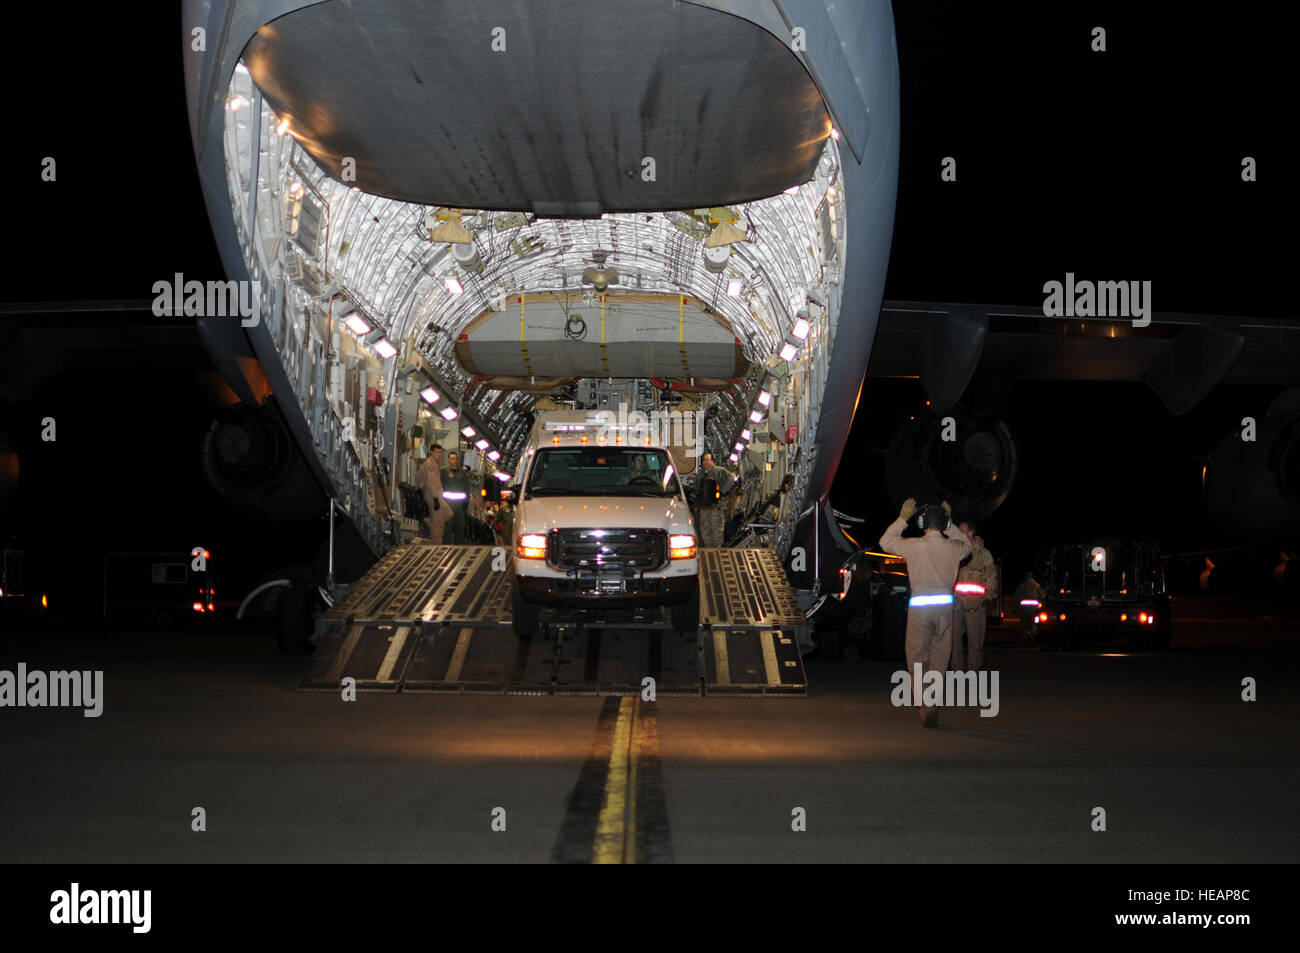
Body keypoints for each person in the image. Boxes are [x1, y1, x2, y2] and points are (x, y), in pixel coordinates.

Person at [879, 499, 972, 727]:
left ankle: (925, 704)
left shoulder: (914, 546)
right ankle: (933, 701)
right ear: (944, 523)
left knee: (917, 657)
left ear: (921, 522)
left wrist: (902, 518)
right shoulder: (954, 547)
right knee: (940, 658)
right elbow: (968, 546)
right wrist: (950, 526)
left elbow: (885, 542)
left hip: (920, 608)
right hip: (944, 609)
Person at [951, 521, 997, 671]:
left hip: (976, 605)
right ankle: (956, 671)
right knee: (953, 641)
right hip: (956, 605)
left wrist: (985, 599)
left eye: (961, 530)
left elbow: (991, 579)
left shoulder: (983, 554)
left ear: (970, 533)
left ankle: (973, 672)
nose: (958, 533)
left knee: (975, 641)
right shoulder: (955, 551)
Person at [695, 452, 736, 547]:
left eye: (708, 460)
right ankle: (709, 548)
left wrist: (722, 492)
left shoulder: (719, 471)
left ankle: (718, 549)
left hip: (716, 505)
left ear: (713, 461)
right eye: (704, 460)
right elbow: (696, 487)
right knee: (705, 528)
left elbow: (731, 479)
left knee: (716, 527)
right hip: (704, 506)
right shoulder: (700, 474)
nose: (706, 462)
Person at [417, 444, 450, 543]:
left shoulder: (434, 463)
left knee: (449, 513)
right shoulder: (430, 464)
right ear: (431, 452)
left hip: (437, 495)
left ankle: (429, 521)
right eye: (437, 452)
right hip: (433, 496)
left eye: (441, 452)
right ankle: (436, 545)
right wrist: (435, 499)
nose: (440, 454)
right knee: (438, 526)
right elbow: (430, 483)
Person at [441, 450, 471, 544]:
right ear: (449, 460)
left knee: (459, 527)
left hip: (459, 505)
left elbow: (466, 487)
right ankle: (446, 546)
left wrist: (466, 502)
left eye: (456, 459)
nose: (454, 461)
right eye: (452, 459)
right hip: (447, 504)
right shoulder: (443, 471)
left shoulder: (462, 472)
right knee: (447, 526)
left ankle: (459, 547)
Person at [1012, 570, 1046, 643]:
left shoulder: (1022, 585)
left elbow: (1016, 597)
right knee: (1033, 623)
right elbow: (1043, 595)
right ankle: (1033, 637)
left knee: (1024, 624)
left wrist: (1014, 608)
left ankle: (1024, 639)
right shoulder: (1037, 585)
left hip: (1024, 608)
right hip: (1034, 609)